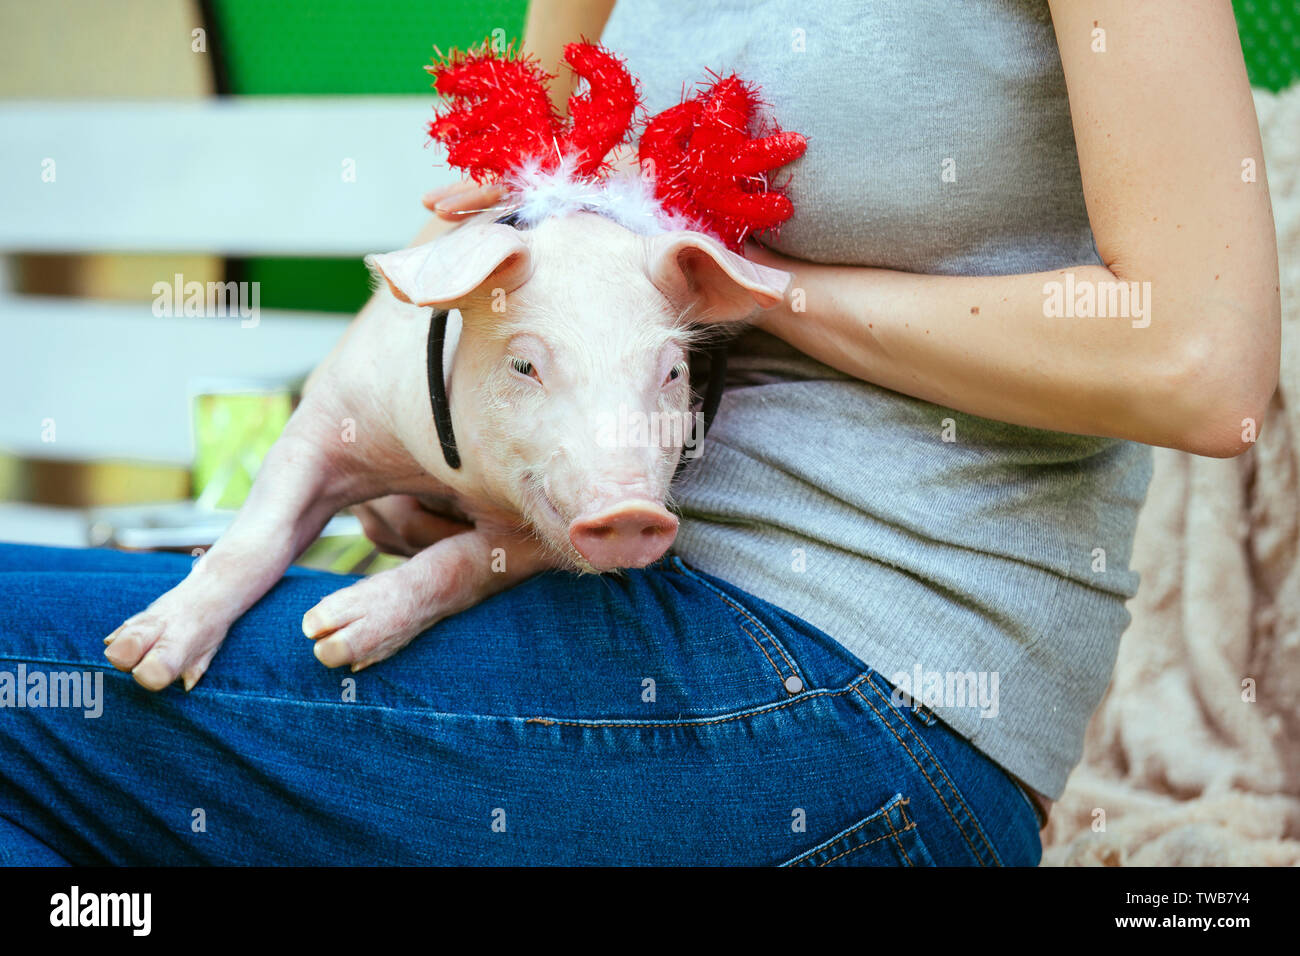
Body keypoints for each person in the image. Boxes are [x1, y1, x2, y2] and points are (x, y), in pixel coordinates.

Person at [0, 0, 1278, 865]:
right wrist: (450, 446)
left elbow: (1198, 357)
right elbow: (507, 224)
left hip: (860, 687)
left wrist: (760, 293)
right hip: (567, 584)